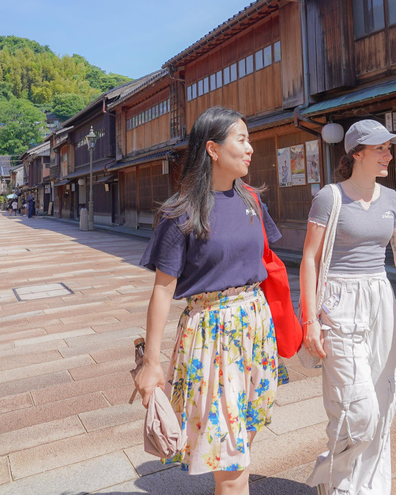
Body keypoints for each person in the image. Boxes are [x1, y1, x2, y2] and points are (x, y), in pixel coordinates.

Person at [135, 107, 282, 495]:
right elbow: (163, 290)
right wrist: (152, 363)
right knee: (232, 464)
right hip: (213, 339)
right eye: (242, 139)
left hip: (255, 331)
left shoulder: (251, 200)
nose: (250, 148)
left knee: (240, 449)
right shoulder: (181, 211)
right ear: (213, 149)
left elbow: (268, 266)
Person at [300, 119, 396, 495]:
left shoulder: (391, 199)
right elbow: (309, 258)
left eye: (389, 148)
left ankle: (364, 488)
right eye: (380, 149)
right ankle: (332, 476)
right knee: (357, 410)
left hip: (380, 299)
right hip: (340, 302)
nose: (388, 154)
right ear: (357, 154)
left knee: (382, 401)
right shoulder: (330, 197)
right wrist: (309, 319)